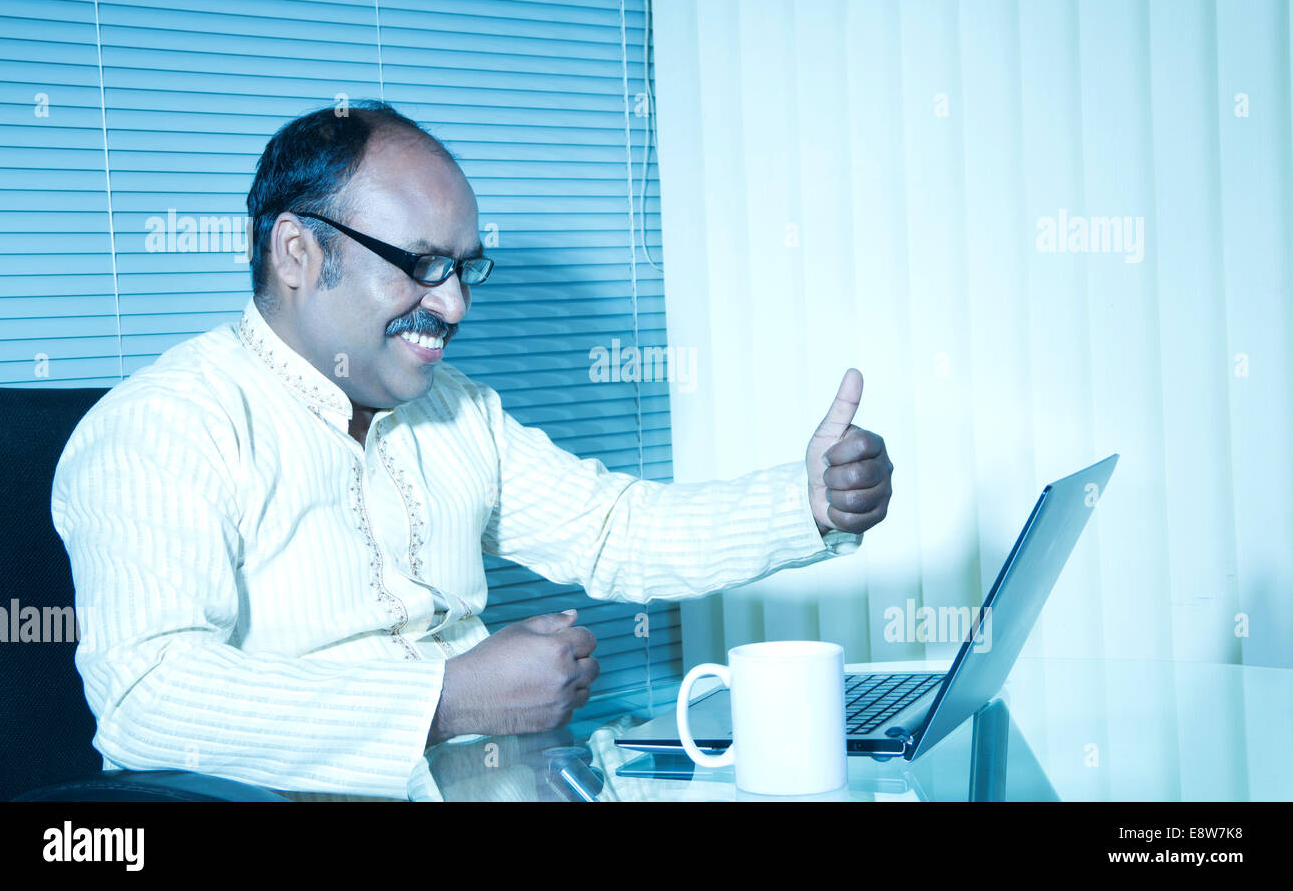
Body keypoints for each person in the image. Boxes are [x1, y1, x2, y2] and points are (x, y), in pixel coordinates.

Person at [51, 101, 894, 800]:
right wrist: (448, 698)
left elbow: (614, 531)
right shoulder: (163, 426)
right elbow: (146, 696)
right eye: (419, 265)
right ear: (298, 253)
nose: (451, 305)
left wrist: (807, 502)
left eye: (462, 268)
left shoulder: (458, 413)